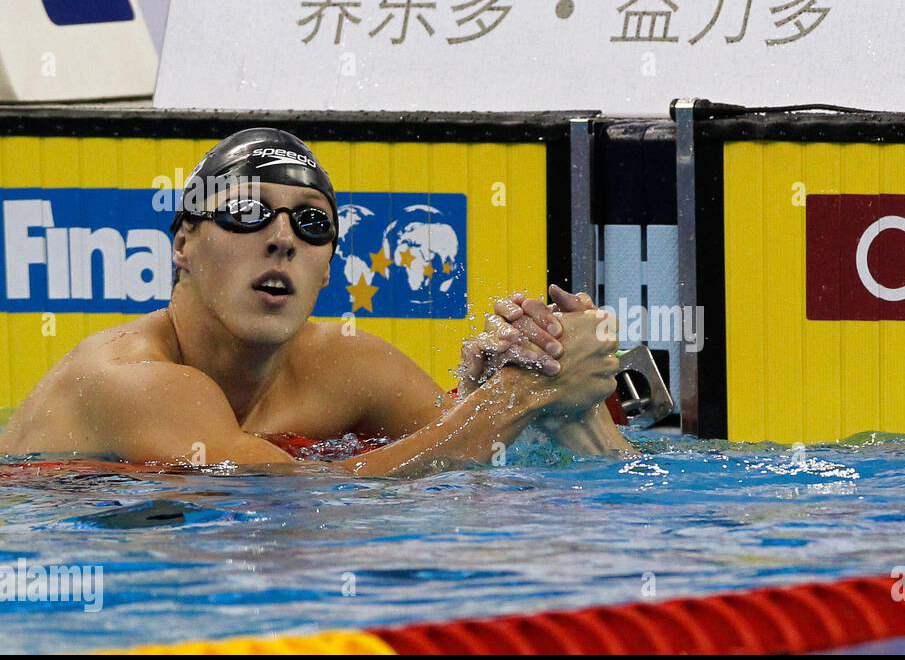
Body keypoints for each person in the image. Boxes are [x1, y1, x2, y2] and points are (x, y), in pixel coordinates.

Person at [0, 128, 631, 476]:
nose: (280, 240)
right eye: (246, 214)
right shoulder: (132, 380)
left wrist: (563, 385)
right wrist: (514, 398)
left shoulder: (348, 367)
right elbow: (301, 501)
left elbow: (488, 461)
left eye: (310, 225)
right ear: (183, 245)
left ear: (328, 267)